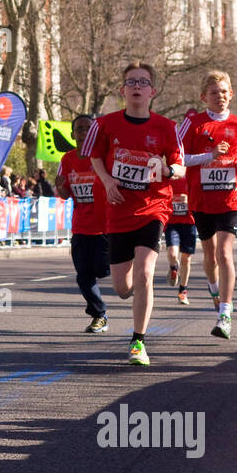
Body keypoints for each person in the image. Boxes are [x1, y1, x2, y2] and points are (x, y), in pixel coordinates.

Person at [85, 62, 184, 365]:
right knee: (122, 287)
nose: (137, 86)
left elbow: (180, 166)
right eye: (131, 82)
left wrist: (169, 169)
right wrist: (107, 180)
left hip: (153, 207)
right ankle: (132, 295)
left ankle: (138, 342)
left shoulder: (167, 127)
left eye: (143, 82)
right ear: (123, 90)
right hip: (118, 211)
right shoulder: (105, 124)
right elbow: (95, 155)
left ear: (152, 91)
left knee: (145, 272)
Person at [175, 70, 237, 340]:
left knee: (224, 253)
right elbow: (179, 160)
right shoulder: (192, 124)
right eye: (214, 93)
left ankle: (225, 313)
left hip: (231, 197)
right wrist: (209, 155)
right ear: (203, 97)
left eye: (224, 92)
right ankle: (212, 288)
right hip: (201, 199)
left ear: (231, 94)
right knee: (209, 255)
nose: (219, 96)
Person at [55, 114, 109, 332]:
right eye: (79, 129)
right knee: (83, 276)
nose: (84, 132)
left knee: (103, 270)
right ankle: (99, 315)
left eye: (88, 128)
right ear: (72, 133)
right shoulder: (67, 159)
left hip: (105, 227)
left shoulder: (103, 157)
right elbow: (65, 194)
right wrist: (60, 187)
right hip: (81, 227)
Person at [164, 171, 196, 305]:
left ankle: (183, 291)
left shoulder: (193, 176)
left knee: (186, 259)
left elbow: (200, 197)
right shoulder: (168, 177)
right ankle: (173, 267)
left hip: (189, 224)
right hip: (172, 223)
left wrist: (189, 200)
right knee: (172, 253)